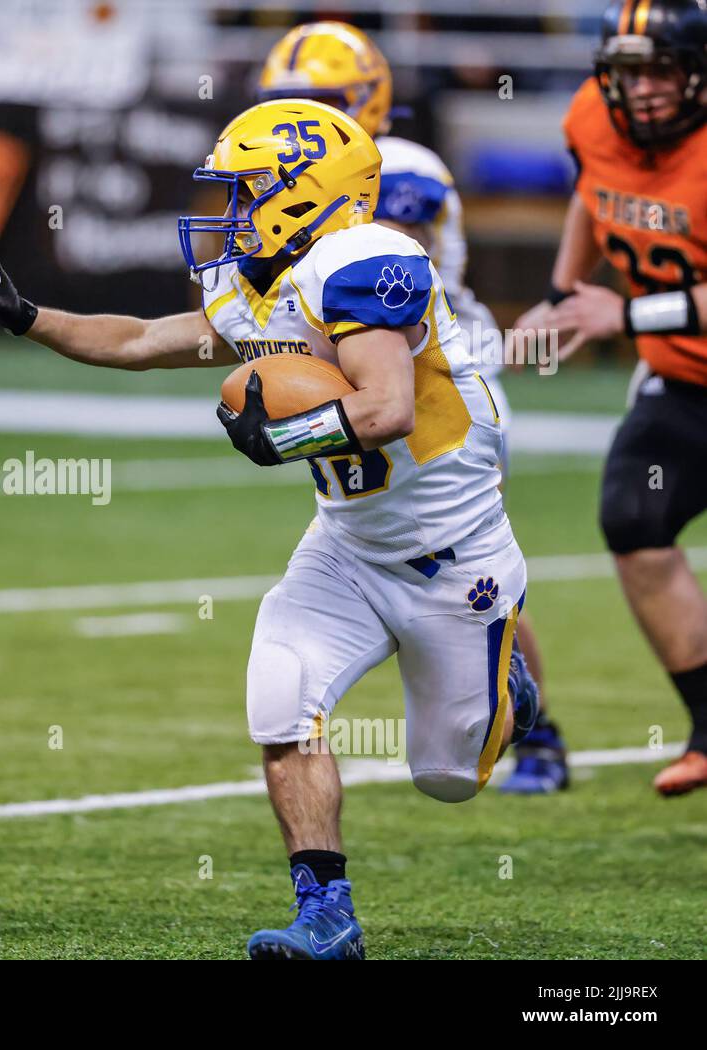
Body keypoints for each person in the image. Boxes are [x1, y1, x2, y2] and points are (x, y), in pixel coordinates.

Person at [0, 99, 539, 960]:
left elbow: (384, 408)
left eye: (247, 191)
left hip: (454, 557)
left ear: (307, 193)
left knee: (449, 777)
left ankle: (506, 688)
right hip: (345, 544)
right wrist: (28, 316)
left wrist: (288, 435)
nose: (229, 212)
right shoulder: (253, 281)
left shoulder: (364, 259)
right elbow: (144, 339)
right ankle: (326, 914)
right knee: (279, 697)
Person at [258, 20, 568, 795]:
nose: (296, 122)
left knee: (458, 547)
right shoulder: (289, 188)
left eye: (319, 101)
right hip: (359, 366)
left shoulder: (400, 170)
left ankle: (535, 720)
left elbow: (374, 281)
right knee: (380, 533)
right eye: (284, 102)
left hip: (435, 372)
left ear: (366, 101)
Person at [513, 0, 707, 796]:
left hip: (665, 338)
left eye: (662, 69)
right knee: (634, 517)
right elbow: (592, 195)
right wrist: (564, 294)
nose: (646, 88)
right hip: (685, 378)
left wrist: (622, 313)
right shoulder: (594, 117)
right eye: (629, 71)